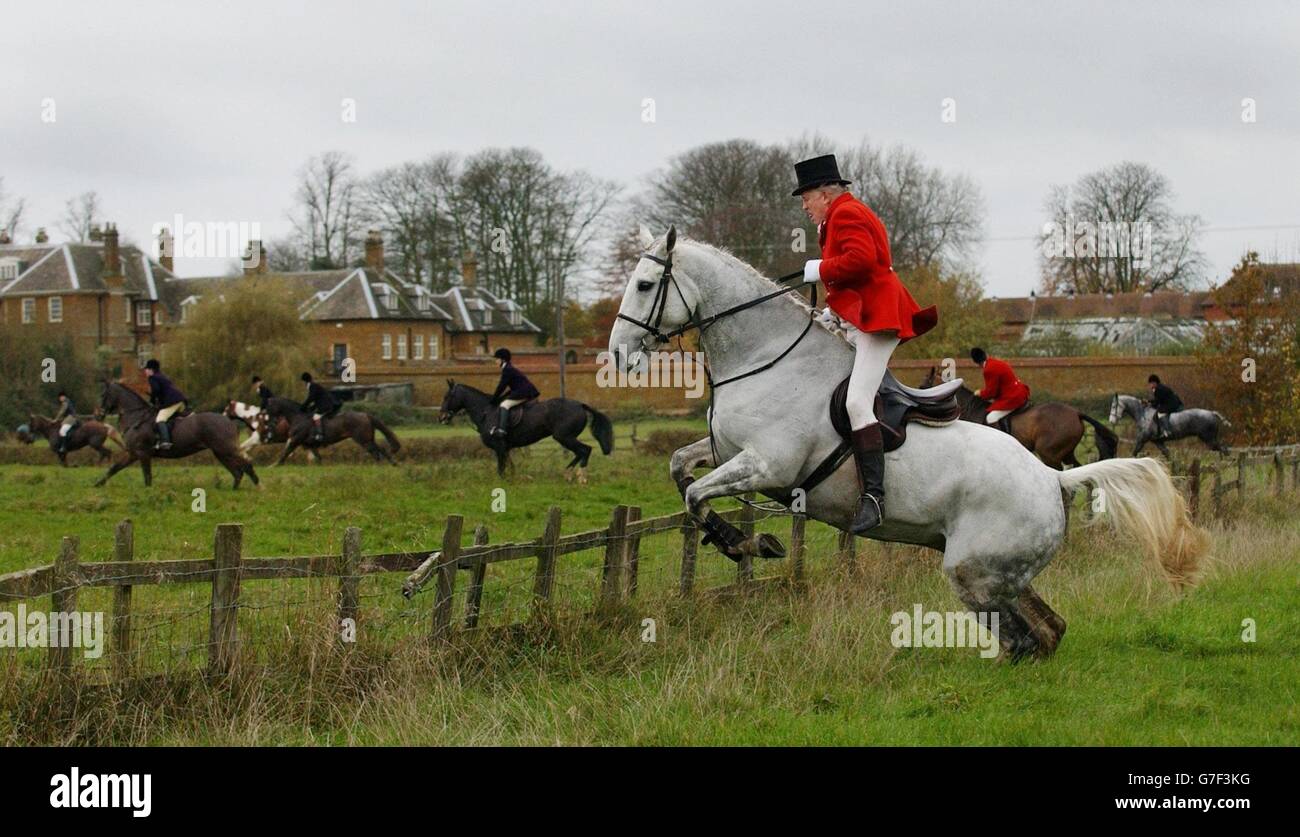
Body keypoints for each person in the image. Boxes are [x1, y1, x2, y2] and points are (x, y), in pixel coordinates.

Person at [796, 154, 938, 534]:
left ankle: (874, 498)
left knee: (856, 401)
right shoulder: (838, 214)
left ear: (824, 194)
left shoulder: (846, 213)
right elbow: (855, 279)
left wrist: (819, 269)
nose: (804, 207)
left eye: (805, 198)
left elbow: (862, 261)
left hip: (879, 317)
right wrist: (833, 313)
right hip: (864, 314)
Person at [970, 347, 1030, 435]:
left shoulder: (988, 369)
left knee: (990, 418)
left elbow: (991, 393)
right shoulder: (995, 362)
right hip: (1020, 391)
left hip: (1013, 397)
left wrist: (979, 393)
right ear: (986, 354)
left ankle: (1006, 439)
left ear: (976, 362)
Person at [488, 348, 540, 438]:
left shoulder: (507, 369)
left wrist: (494, 398)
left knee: (504, 405)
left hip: (524, 392)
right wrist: (500, 397)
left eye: (497, 359)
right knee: (504, 401)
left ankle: (502, 430)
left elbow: (501, 386)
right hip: (522, 391)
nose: (495, 361)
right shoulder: (508, 368)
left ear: (503, 359)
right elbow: (509, 387)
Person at [143, 359, 187, 450]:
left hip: (172, 402)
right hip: (181, 401)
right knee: (169, 418)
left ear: (151, 370)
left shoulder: (152, 377)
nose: (145, 371)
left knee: (160, 419)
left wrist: (152, 401)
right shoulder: (161, 376)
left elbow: (156, 391)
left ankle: (165, 441)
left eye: (146, 369)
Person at [300, 372, 341, 443]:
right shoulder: (314, 385)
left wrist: (304, 406)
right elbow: (317, 399)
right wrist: (311, 407)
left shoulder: (312, 386)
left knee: (316, 417)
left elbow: (311, 398)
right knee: (313, 414)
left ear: (305, 381)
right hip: (323, 404)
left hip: (326, 405)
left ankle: (320, 434)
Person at [1147, 374, 1184, 439]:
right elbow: (1157, 400)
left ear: (1155, 383)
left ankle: (1167, 430)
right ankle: (1161, 431)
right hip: (1172, 403)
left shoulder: (1158, 389)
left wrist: (1150, 405)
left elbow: (1157, 402)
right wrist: (1148, 401)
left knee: (1160, 413)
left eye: (1151, 384)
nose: (1150, 385)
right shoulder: (1160, 387)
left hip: (1172, 404)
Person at [52, 391, 78, 455]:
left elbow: (62, 412)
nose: (59, 399)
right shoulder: (67, 401)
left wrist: (56, 419)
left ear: (63, 397)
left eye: (60, 397)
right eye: (59, 398)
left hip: (71, 418)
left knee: (62, 431)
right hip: (68, 417)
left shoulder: (65, 402)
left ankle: (64, 447)